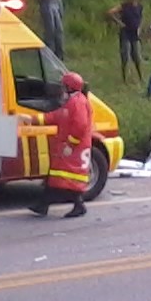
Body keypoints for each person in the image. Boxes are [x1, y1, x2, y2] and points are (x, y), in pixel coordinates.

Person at [28, 71, 93, 219]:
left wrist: (71, 144)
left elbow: (80, 126)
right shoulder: (73, 102)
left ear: (69, 87)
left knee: (64, 181)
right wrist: (31, 119)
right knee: (59, 180)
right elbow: (55, 116)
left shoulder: (77, 103)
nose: (61, 89)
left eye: (63, 86)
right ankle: (46, 205)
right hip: (68, 149)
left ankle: (45, 205)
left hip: (73, 150)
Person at [105, 0, 144, 85]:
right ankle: (124, 78)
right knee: (125, 55)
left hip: (135, 34)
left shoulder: (139, 7)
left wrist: (140, 28)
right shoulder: (124, 6)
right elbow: (110, 12)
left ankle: (140, 77)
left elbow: (141, 18)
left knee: (137, 56)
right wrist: (119, 22)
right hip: (125, 33)